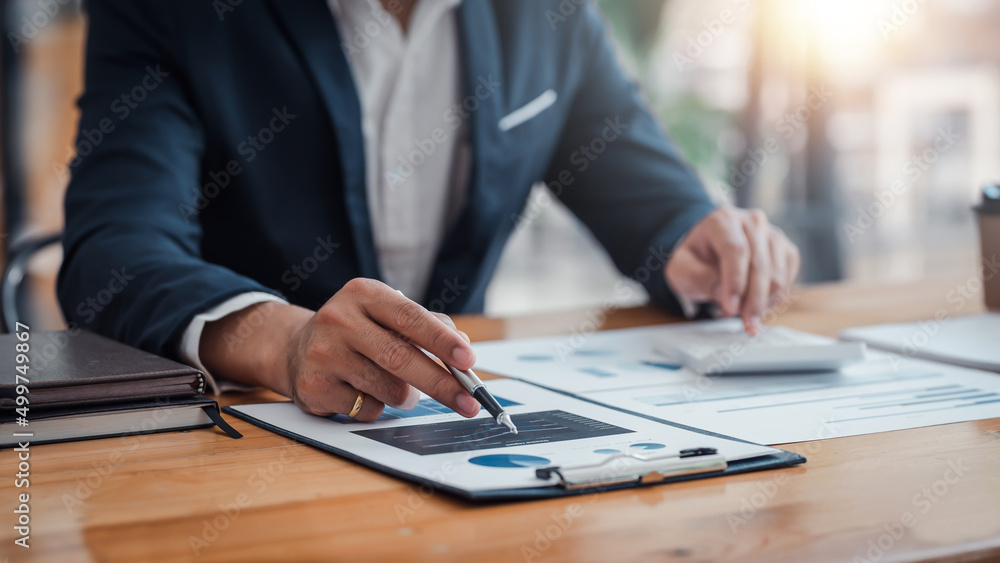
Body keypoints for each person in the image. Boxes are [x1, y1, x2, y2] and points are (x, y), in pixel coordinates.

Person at [59, 0, 799, 422]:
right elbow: (113, 250)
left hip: (462, 443)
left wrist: (699, 239)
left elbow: (642, 187)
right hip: (247, 444)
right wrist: (286, 341)